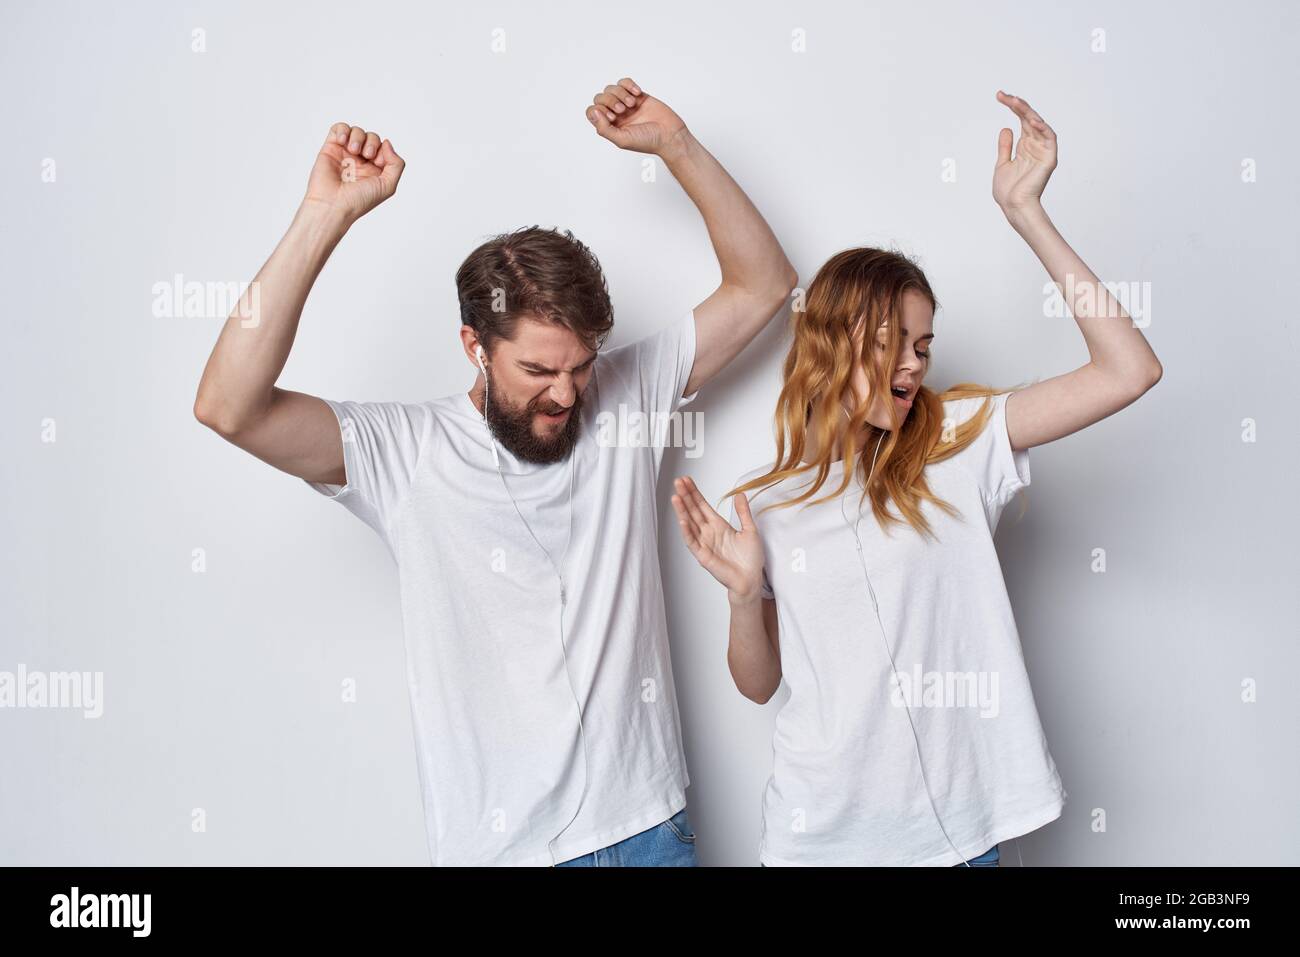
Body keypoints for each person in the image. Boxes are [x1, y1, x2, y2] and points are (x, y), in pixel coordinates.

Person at [194, 77, 797, 866]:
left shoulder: (625, 395)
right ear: (474, 345)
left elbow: (766, 284)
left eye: (580, 366)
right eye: (539, 369)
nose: (565, 392)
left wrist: (675, 147)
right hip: (507, 851)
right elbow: (228, 406)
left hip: (650, 827)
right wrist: (325, 215)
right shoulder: (403, 453)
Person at [670, 91, 1162, 867]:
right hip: (814, 846)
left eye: (924, 345)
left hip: (959, 844)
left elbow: (1129, 371)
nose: (912, 365)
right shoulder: (760, 504)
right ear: (832, 345)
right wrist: (741, 594)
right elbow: (758, 685)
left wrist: (1028, 214)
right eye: (892, 342)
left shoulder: (959, 440)